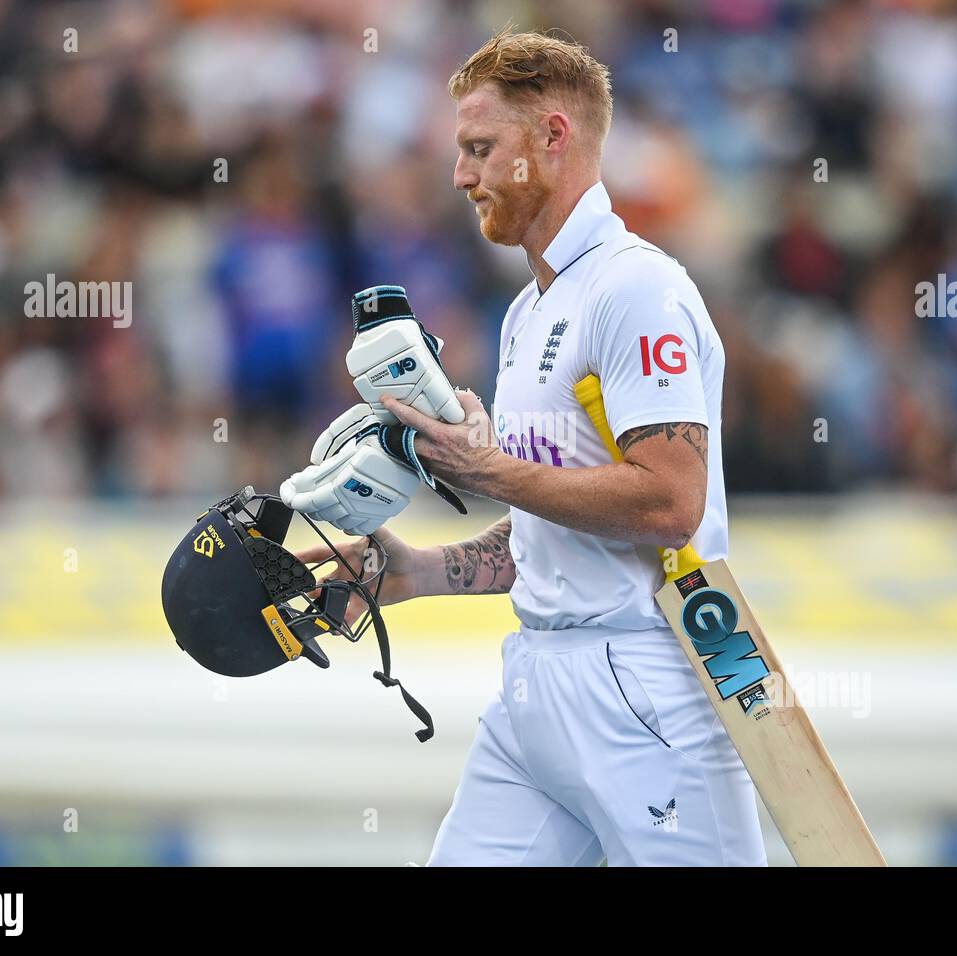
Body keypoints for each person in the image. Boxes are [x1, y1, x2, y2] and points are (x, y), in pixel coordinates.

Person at [307, 29, 766, 867]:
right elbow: (553, 527)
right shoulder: (528, 312)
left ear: (553, 138)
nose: (460, 174)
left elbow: (670, 503)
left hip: (644, 684)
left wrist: (485, 468)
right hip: (538, 681)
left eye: (481, 148)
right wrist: (417, 572)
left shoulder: (637, 287)